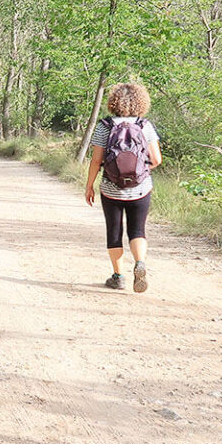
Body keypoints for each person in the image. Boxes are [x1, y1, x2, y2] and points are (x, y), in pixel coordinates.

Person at [83, 82, 162, 293]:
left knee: (114, 231)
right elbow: (156, 159)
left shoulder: (105, 126)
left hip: (111, 188)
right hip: (140, 188)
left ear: (113, 101)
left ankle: (118, 277)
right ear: (140, 102)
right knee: (138, 230)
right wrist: (139, 172)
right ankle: (140, 263)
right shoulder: (145, 126)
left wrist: (89, 185)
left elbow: (96, 160)